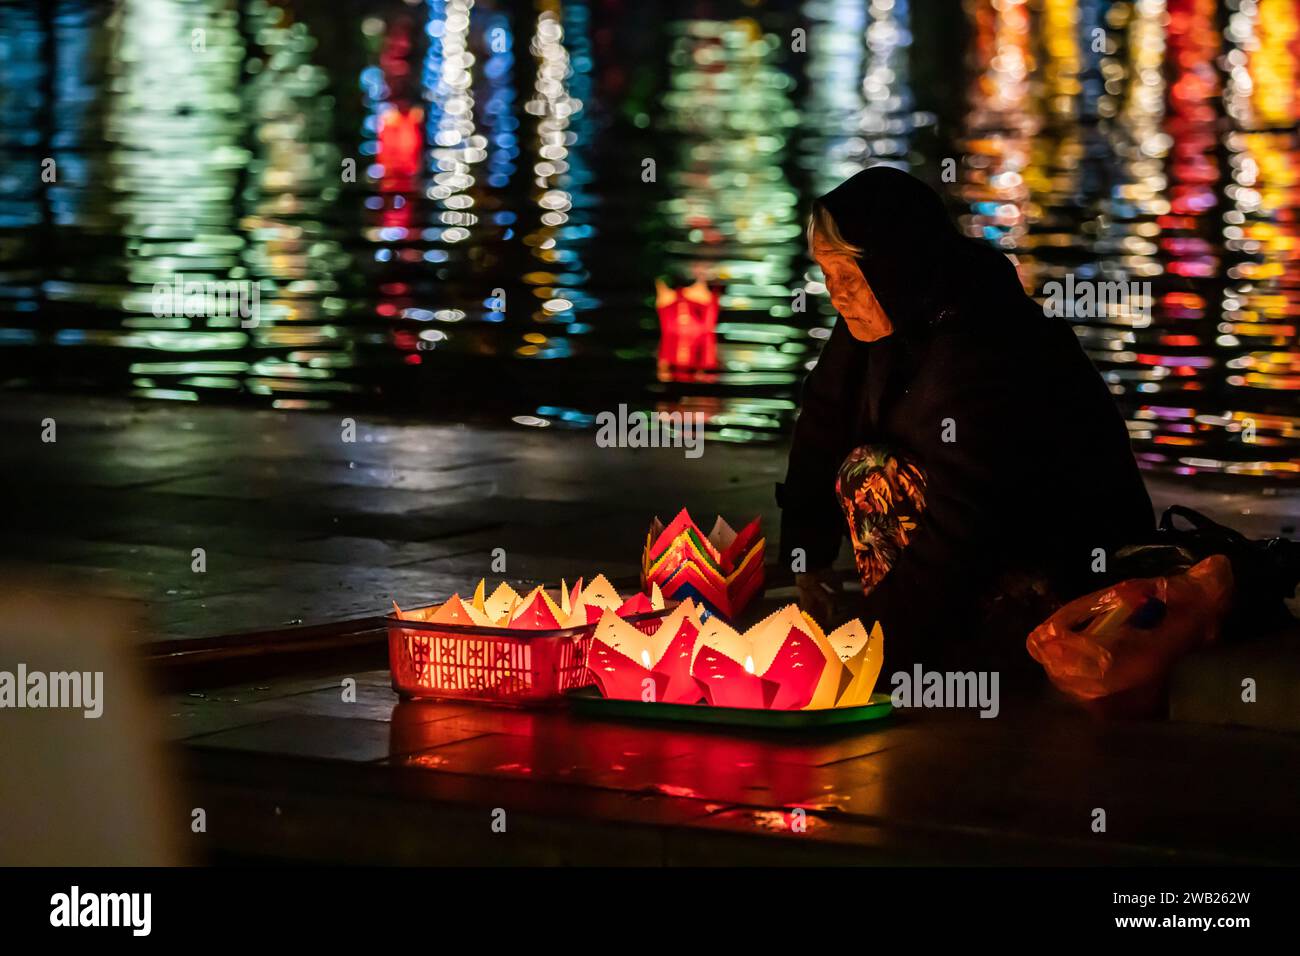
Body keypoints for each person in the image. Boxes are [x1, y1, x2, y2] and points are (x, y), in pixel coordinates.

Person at [778, 166, 1154, 668]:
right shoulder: (879, 318)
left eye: (848, 273)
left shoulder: (983, 343)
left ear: (893, 265)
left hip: (1060, 563)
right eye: (827, 274)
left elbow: (967, 515)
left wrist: (874, 643)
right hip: (971, 546)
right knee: (863, 469)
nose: (835, 291)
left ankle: (975, 642)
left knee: (873, 475)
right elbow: (821, 422)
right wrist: (808, 560)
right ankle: (928, 632)